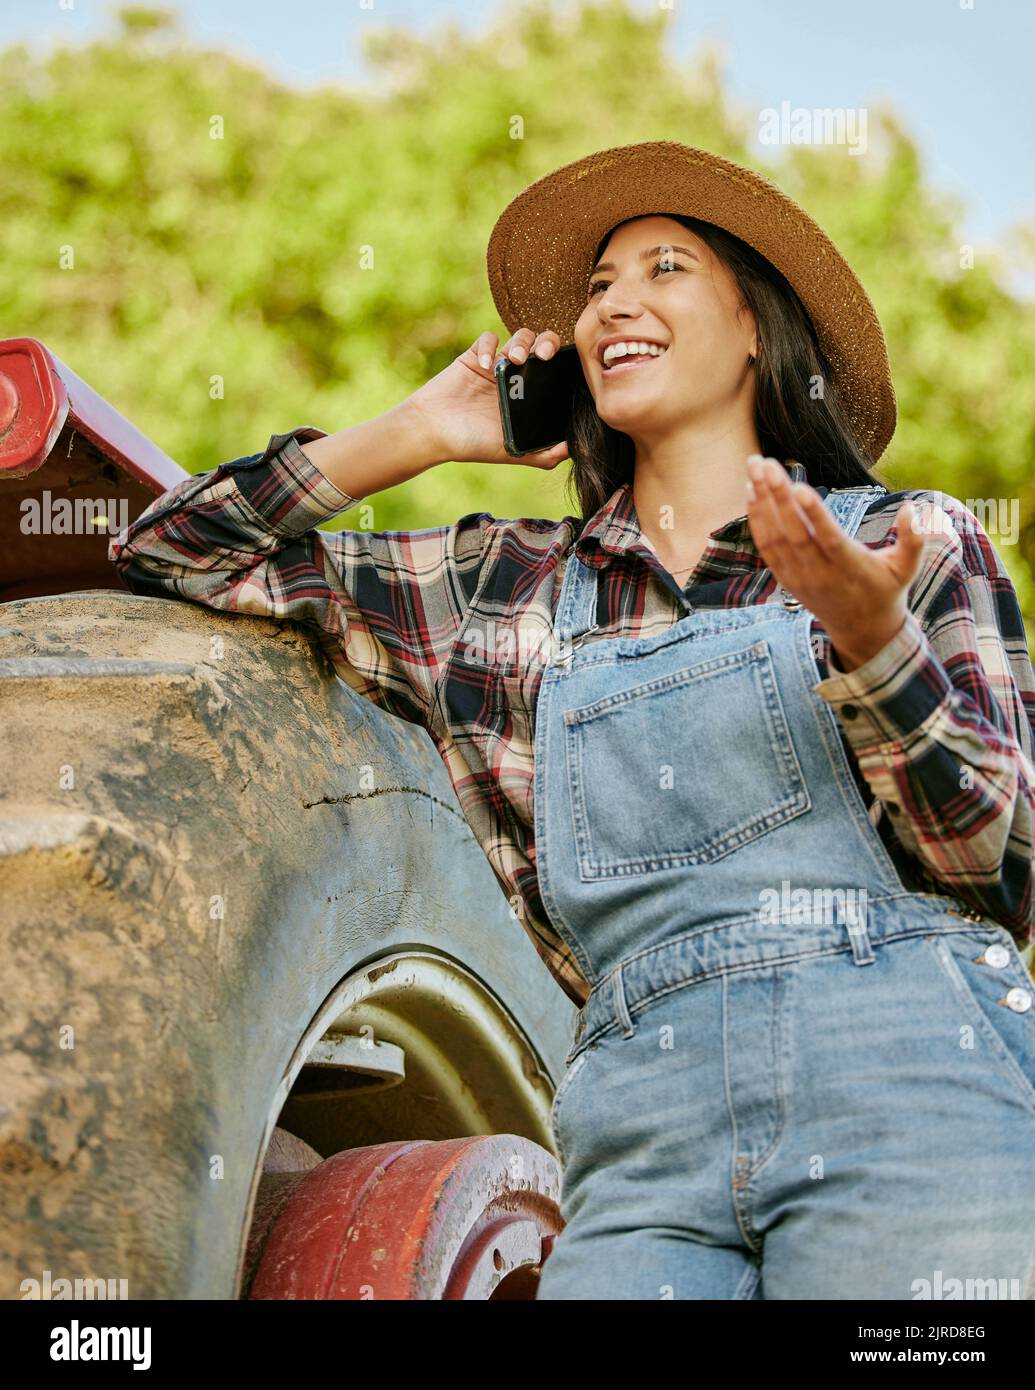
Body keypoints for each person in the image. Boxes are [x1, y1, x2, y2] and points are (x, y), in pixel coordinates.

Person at [108, 140, 1035, 1300]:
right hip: (640, 1130)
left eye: (664, 269)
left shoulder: (908, 541)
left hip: (909, 1083)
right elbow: (163, 552)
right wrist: (420, 432)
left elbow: (997, 867)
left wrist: (876, 646)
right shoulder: (503, 592)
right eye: (598, 287)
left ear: (759, 328)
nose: (614, 305)